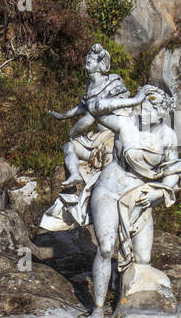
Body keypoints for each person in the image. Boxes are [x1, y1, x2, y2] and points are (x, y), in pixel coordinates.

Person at [85, 85, 181, 318]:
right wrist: (133, 99)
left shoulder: (167, 136)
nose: (143, 110)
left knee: (142, 260)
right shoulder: (126, 123)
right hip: (110, 189)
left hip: (142, 196)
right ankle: (98, 308)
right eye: (142, 105)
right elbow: (94, 109)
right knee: (106, 247)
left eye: (150, 106)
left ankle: (124, 299)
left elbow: (173, 171)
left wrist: (160, 194)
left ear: (162, 112)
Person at [40, 43, 129, 231]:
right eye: (87, 58)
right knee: (69, 146)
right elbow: (83, 108)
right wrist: (63, 115)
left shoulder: (113, 82)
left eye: (92, 59)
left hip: (110, 138)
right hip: (94, 138)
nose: (87, 61)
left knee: (108, 175)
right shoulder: (90, 85)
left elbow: (91, 117)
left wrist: (73, 130)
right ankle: (74, 175)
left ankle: (109, 213)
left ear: (101, 64)